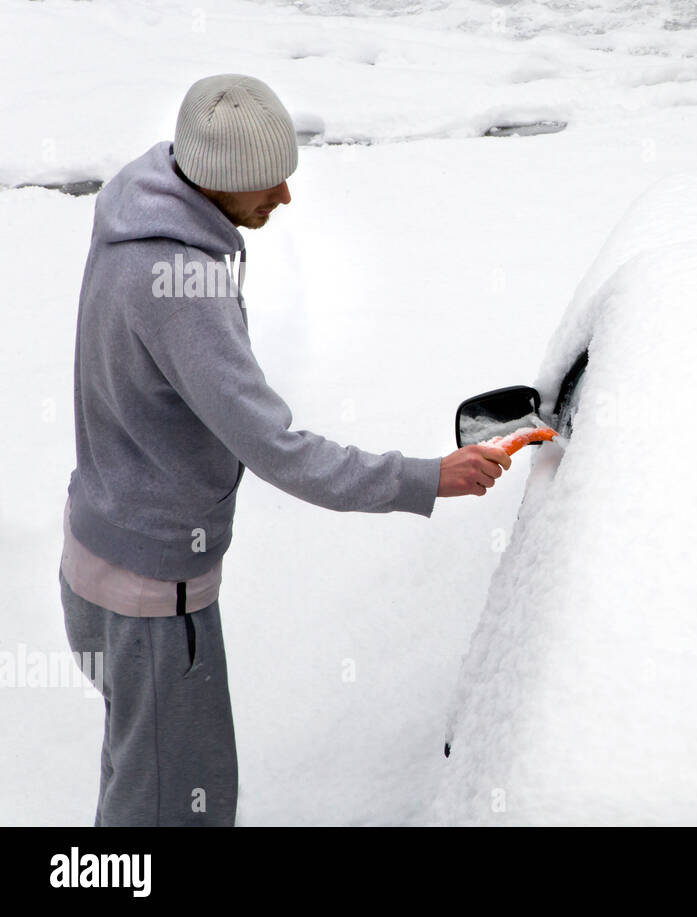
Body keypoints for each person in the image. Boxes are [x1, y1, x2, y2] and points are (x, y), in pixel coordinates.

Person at [59, 73, 511, 826]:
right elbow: (276, 445)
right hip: (152, 599)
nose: (286, 198)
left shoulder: (136, 213)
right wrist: (425, 478)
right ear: (219, 181)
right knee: (179, 812)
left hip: (98, 565)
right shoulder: (184, 286)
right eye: (269, 183)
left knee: (140, 787)